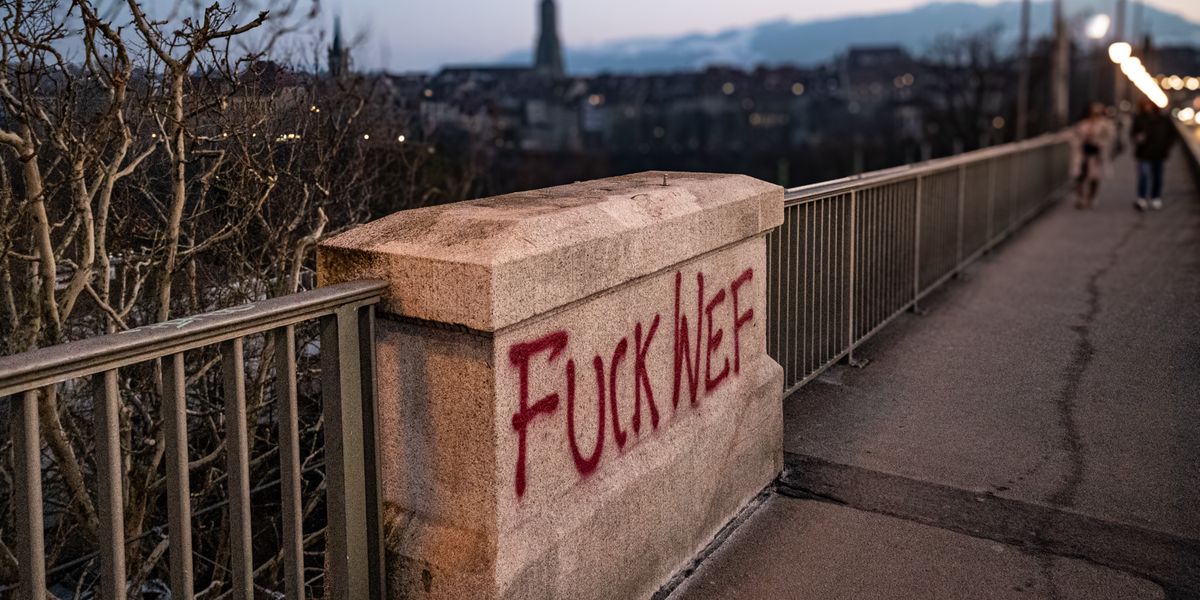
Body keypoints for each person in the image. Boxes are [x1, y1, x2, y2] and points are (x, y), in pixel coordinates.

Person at [1130, 98, 1175, 211]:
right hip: (1144, 152)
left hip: (1159, 153)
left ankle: (1155, 197)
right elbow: (1132, 133)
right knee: (1144, 176)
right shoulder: (1139, 118)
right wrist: (1137, 138)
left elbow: (1172, 135)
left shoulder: (1164, 119)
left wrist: (1166, 146)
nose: (1148, 107)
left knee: (1157, 176)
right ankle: (1142, 198)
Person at [1070, 102, 1115, 210]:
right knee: (1080, 176)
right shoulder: (1082, 123)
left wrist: (1100, 142)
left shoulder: (1104, 124)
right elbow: (1075, 136)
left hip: (1096, 153)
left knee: (1094, 177)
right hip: (1083, 153)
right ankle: (1080, 198)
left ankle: (1091, 197)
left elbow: (1110, 136)